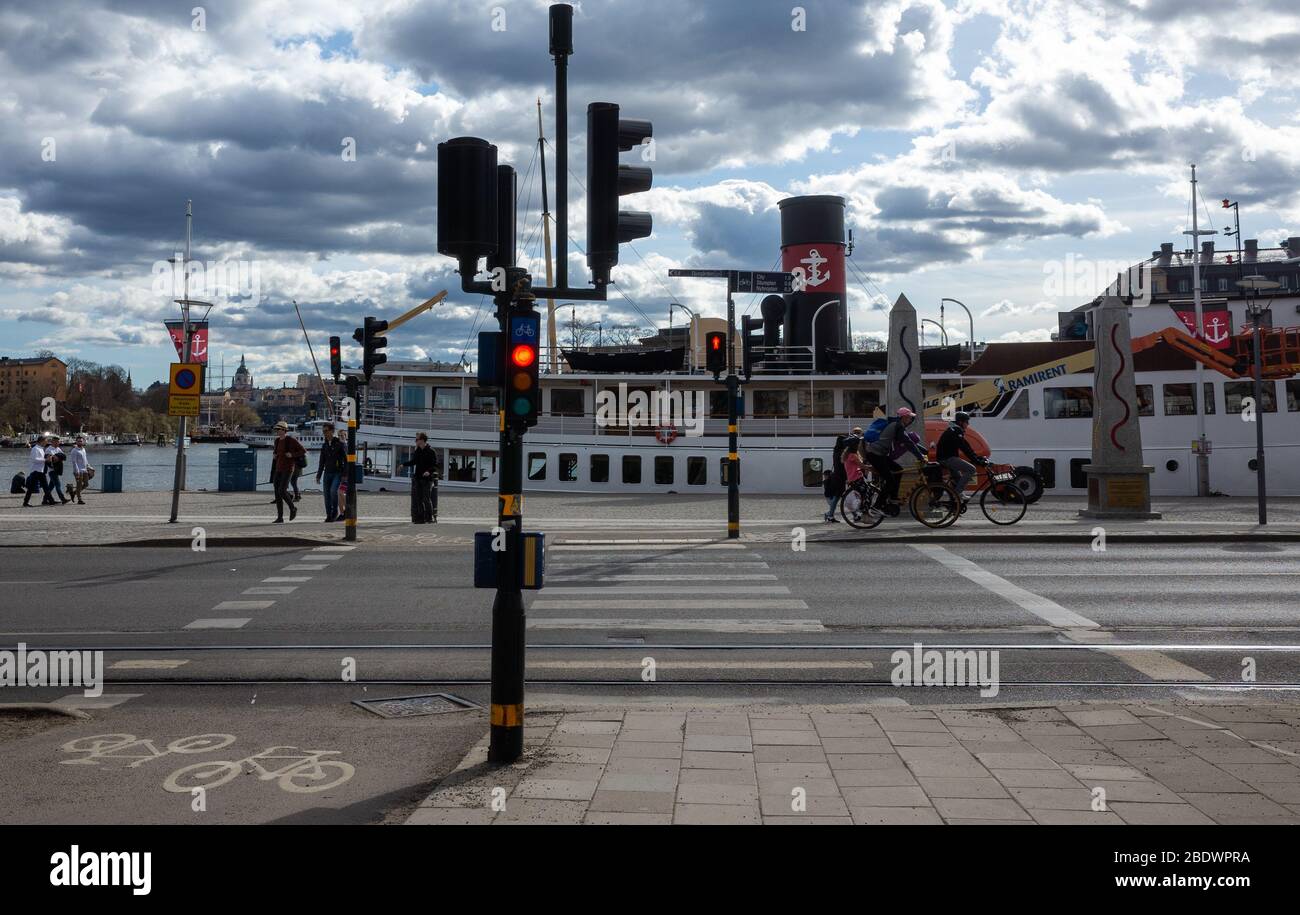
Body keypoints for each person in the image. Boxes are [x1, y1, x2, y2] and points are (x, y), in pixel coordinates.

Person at [863, 407, 928, 510]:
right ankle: (877, 507)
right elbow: (908, 443)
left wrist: (924, 452)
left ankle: (893, 497)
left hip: (879, 454)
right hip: (875, 455)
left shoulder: (894, 424)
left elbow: (908, 443)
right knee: (890, 481)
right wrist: (920, 457)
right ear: (904, 417)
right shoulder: (898, 426)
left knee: (898, 470)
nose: (911, 420)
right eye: (910, 417)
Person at [936, 411, 986, 502]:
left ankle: (954, 505)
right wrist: (976, 460)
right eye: (967, 422)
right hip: (947, 458)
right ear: (960, 422)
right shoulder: (956, 430)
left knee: (958, 479)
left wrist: (977, 457)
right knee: (971, 469)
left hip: (946, 457)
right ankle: (957, 493)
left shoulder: (954, 430)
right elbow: (964, 448)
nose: (968, 424)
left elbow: (966, 445)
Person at [270, 421, 305, 523]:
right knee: (277, 493)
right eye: (277, 429)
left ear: (284, 430)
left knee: (281, 490)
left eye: (279, 429)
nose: (277, 431)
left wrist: (292, 455)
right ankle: (280, 517)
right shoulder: (276, 441)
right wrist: (274, 455)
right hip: (278, 468)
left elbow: (303, 451)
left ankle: (293, 508)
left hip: (289, 468)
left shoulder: (291, 440)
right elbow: (276, 452)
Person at [400, 433, 438, 523]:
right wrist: (403, 465)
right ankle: (420, 519)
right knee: (418, 499)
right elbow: (414, 462)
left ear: (422, 440)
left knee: (426, 499)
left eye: (417, 440)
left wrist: (428, 471)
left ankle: (429, 518)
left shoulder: (431, 451)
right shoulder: (418, 451)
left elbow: (435, 465)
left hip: (427, 479)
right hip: (418, 478)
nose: (415, 441)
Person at [315, 422, 347, 522]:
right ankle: (329, 515)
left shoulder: (339, 444)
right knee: (326, 495)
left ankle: (334, 512)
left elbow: (346, 460)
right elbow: (321, 462)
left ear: (332, 431)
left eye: (326, 431)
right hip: (327, 473)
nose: (324, 433)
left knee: (333, 491)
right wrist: (318, 475)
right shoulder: (324, 445)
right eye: (323, 431)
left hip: (337, 473)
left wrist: (345, 474)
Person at [22, 434, 54, 507]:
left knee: (44, 487)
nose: (47, 442)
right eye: (46, 440)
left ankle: (51, 500)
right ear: (41, 441)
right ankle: (25, 502)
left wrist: (46, 460)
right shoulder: (35, 449)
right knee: (32, 488)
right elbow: (35, 460)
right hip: (36, 471)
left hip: (40, 470)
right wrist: (45, 460)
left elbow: (40, 460)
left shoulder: (41, 449)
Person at [67, 435, 91, 505]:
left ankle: (74, 493)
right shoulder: (74, 451)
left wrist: (89, 466)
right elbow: (74, 462)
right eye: (78, 441)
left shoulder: (83, 449)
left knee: (86, 484)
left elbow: (85, 459)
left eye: (81, 441)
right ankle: (79, 499)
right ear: (76, 442)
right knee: (79, 485)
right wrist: (77, 471)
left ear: (83, 441)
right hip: (78, 470)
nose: (80, 442)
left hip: (84, 469)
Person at [46, 436, 70, 504]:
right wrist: (57, 458)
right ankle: (62, 499)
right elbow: (48, 461)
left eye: (58, 442)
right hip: (52, 470)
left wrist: (58, 457)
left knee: (51, 486)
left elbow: (64, 456)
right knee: (58, 485)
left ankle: (44, 500)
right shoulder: (49, 450)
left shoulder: (58, 449)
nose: (58, 443)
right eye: (57, 442)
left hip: (57, 470)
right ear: (53, 442)